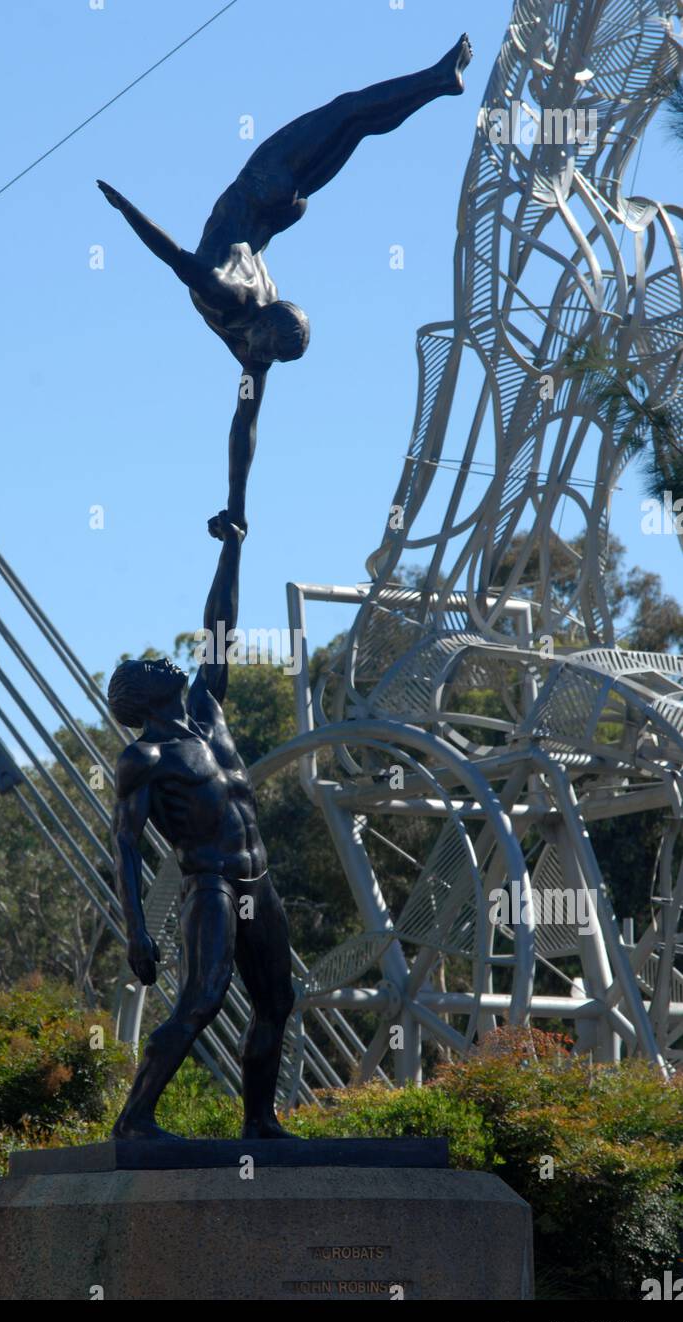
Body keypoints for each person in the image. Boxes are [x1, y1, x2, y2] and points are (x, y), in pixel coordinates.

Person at [98, 34, 473, 530]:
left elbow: (244, 430)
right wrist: (126, 208)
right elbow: (174, 259)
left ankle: (438, 81)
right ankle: (436, 80)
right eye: (271, 352)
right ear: (268, 329)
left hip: (271, 197)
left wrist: (238, 510)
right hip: (264, 189)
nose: (264, 359)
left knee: (351, 118)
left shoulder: (252, 343)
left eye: (270, 355)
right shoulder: (232, 303)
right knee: (350, 116)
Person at [107, 511, 295, 1140]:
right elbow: (126, 847)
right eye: (149, 666)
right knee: (203, 999)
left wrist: (231, 551)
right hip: (210, 885)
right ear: (140, 695)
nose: (165, 662)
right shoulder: (145, 758)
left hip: (258, 882)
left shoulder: (206, 712)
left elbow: (220, 626)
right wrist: (138, 933)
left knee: (277, 1002)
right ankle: (135, 1120)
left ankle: (259, 1123)